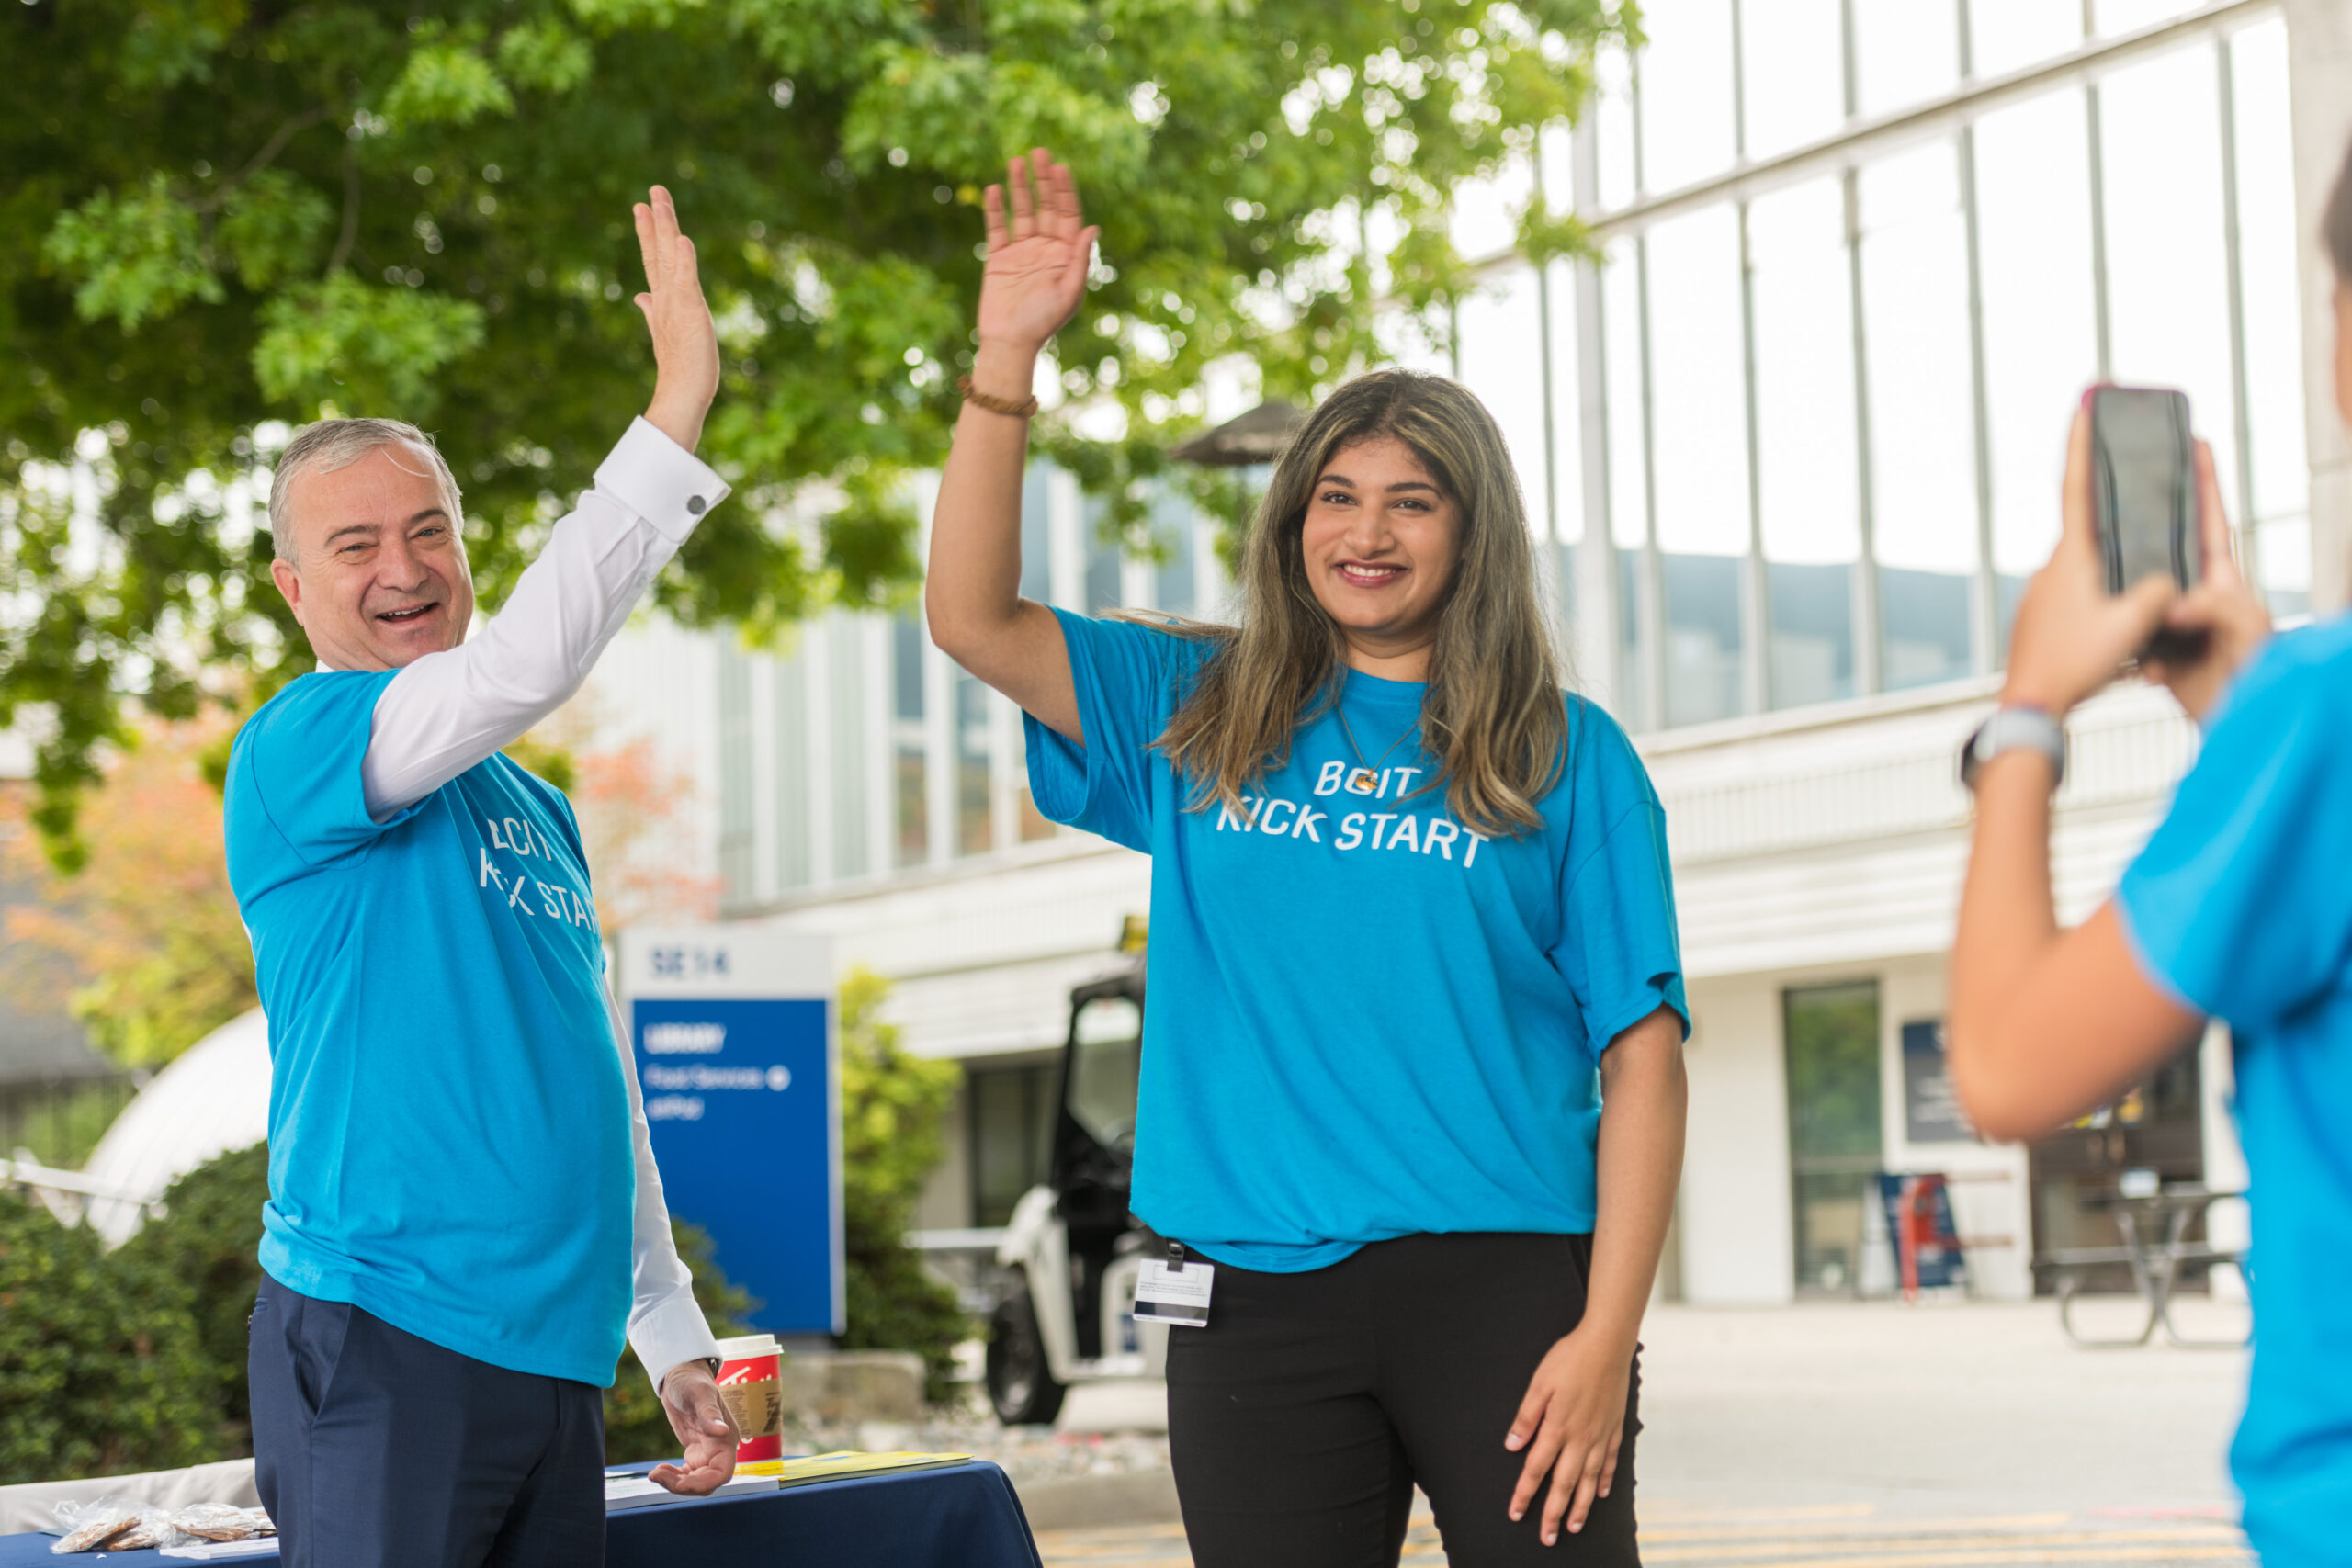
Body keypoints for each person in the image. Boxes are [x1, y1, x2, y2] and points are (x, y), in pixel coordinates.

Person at [927, 151, 1689, 1565]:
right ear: (1293, 526)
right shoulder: (1201, 708)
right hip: (1249, 1299)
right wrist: (1004, 361)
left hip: (1505, 1289)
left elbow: (1643, 1058)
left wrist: (1604, 1337)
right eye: (1336, 496)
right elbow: (972, 618)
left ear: (1471, 532)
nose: (1368, 531)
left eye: (1413, 500)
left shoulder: (1565, 751)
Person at [223, 187, 741, 1568]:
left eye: (430, 531)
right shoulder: (302, 745)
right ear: (292, 588)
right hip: (386, 1331)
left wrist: (668, 1331)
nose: (404, 570)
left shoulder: (538, 810)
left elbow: (590, 1080)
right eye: (356, 546)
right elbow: (518, 667)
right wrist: (676, 408)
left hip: (554, 1356)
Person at [1948, 141, 2352, 1566]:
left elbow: (2003, 1066)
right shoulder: (2302, 723)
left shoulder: (2331, 716)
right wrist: (2238, 701)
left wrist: (2027, 712)